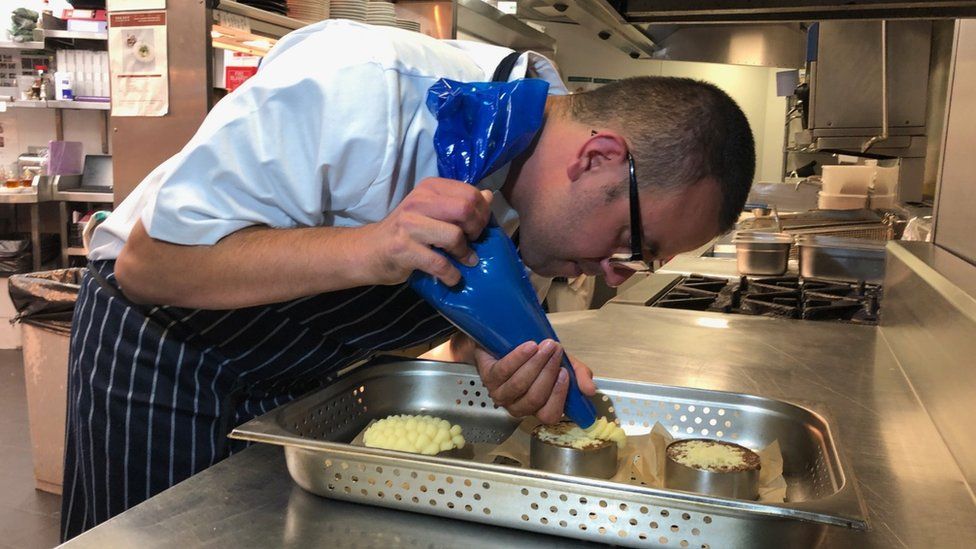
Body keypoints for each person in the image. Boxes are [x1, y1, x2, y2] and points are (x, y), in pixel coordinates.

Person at [62, 20, 755, 540]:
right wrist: (373, 246)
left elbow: (457, 329)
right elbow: (148, 264)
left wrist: (498, 359)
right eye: (632, 242)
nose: (613, 272)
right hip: (164, 352)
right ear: (599, 158)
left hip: (296, 372)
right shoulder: (362, 88)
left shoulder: (541, 203)